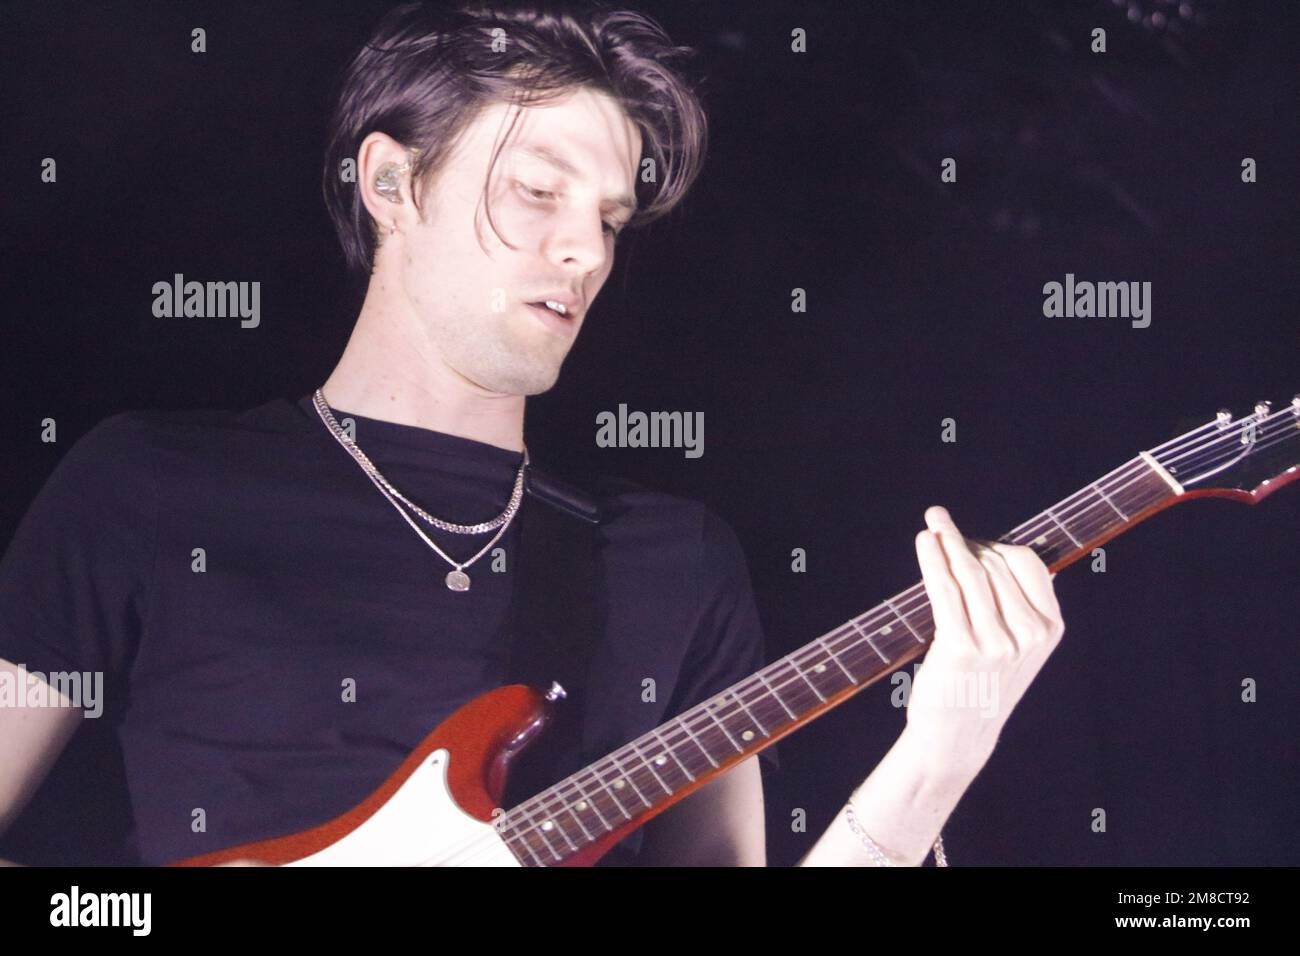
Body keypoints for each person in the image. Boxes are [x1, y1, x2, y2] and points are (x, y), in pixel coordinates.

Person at [0, 0, 1063, 867]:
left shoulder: (673, 561)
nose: (583, 252)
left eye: (606, 217)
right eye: (536, 192)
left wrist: (939, 753)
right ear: (389, 184)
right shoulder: (146, 487)